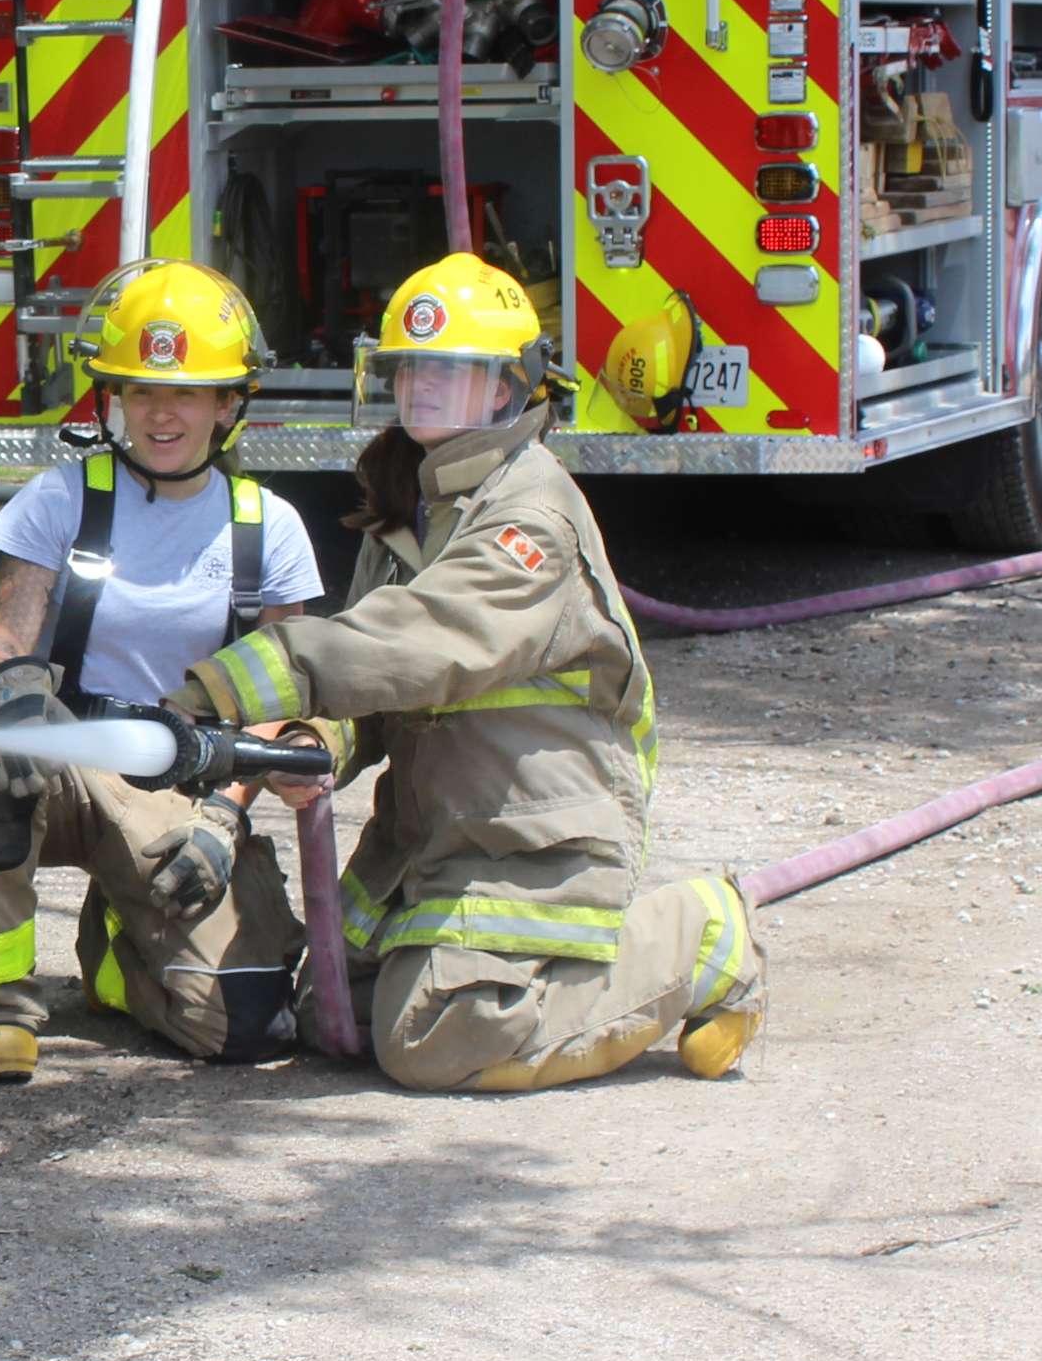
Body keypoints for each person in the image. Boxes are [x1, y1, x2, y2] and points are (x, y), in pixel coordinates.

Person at [155, 253, 768, 1088]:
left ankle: (698, 938)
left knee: (436, 1037)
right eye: (409, 368)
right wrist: (317, 739)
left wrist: (223, 686)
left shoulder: (529, 515)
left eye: (452, 369)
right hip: (437, 831)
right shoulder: (410, 505)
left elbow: (425, 640)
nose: (423, 387)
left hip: (534, 826)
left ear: (509, 389)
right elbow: (375, 679)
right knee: (335, 1009)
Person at [0, 262, 326, 1085]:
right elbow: (2, 644)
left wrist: (224, 817)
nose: (161, 414)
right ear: (114, 400)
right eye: (139, 392)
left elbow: (283, 704)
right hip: (65, 759)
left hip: (188, 780)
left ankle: (116, 951)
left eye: (186, 394)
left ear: (228, 405)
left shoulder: (268, 528)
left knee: (249, 1024)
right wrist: (15, 696)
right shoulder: (64, 498)